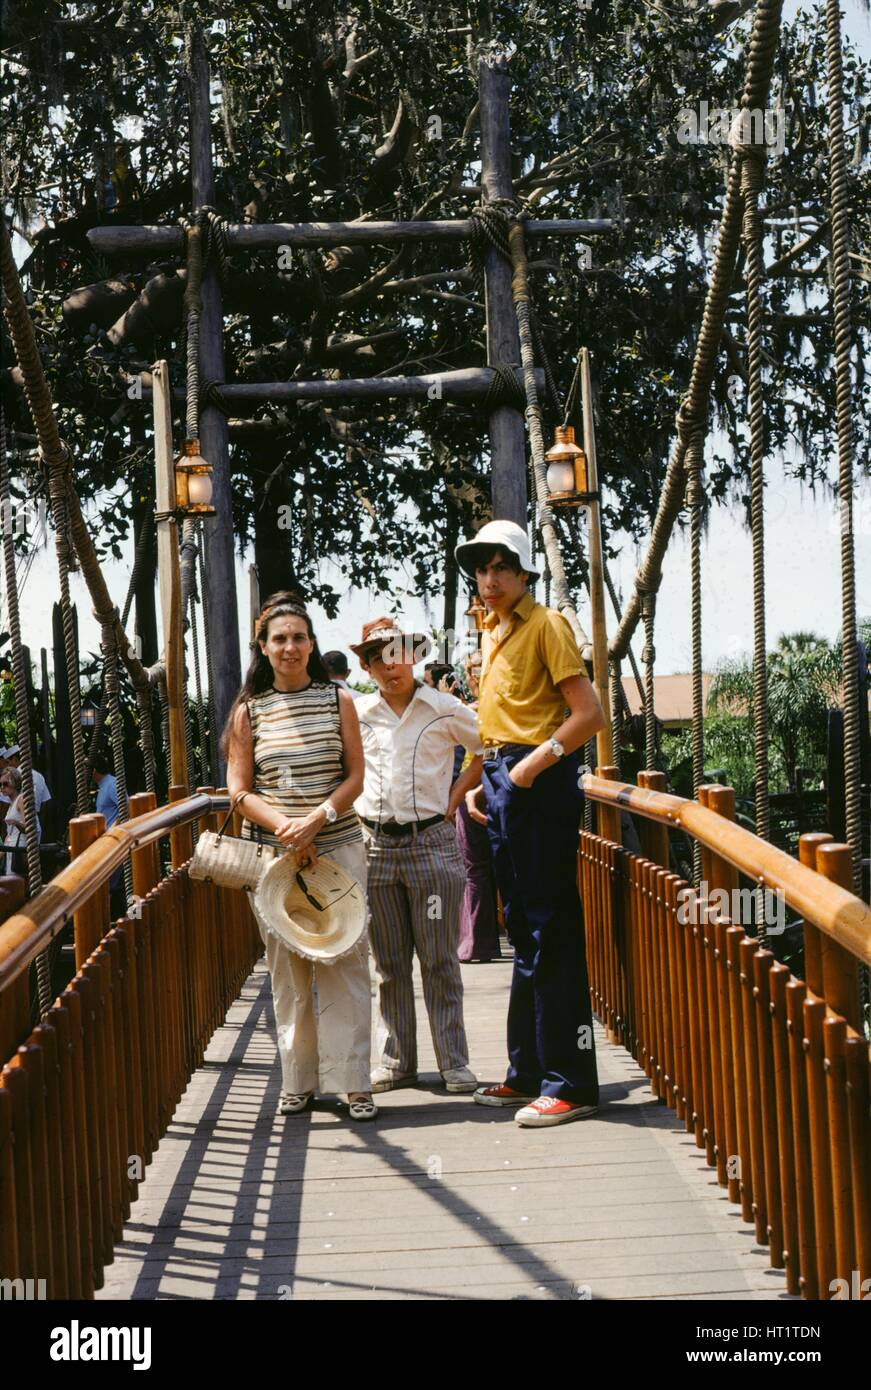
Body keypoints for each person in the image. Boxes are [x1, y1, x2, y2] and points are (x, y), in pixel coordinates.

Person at [457, 520, 605, 1129]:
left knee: (551, 929)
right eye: (481, 569)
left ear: (524, 574)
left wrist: (526, 771)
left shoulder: (547, 625)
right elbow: (494, 718)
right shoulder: (493, 631)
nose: (489, 580)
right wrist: (478, 780)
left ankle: (571, 1083)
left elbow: (589, 713)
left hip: (535, 781)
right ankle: (527, 1073)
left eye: (501, 568)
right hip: (503, 777)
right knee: (521, 926)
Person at [224, 591, 376, 1122]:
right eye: (280, 639)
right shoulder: (248, 712)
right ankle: (299, 1081)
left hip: (338, 848)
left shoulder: (340, 701)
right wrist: (288, 829)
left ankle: (354, 1082)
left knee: (346, 961)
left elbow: (355, 777)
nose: (290, 647)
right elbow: (238, 791)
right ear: (263, 648)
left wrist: (317, 820)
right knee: (287, 968)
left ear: (312, 645)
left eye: (299, 638)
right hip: (275, 857)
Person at [352, 617, 485, 1094]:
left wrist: (456, 795)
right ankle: (396, 1061)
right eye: (380, 657)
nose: (393, 666)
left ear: (414, 656)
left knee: (439, 959)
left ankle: (454, 1061)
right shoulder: (358, 713)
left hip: (431, 843)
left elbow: (485, 749)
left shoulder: (445, 708)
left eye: (400, 653)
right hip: (374, 846)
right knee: (387, 962)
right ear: (366, 666)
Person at [455, 649, 502, 963]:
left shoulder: (468, 712)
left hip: (473, 787)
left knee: (474, 869)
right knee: (499, 865)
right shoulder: (504, 711)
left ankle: (476, 942)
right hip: (499, 786)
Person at [1, 766, 40, 877]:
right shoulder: (11, 804)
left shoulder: (21, 800)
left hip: (20, 850)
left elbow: (30, 827)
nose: (2, 787)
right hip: (11, 850)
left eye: (5, 784)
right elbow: (9, 835)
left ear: (15, 783)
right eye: (0, 784)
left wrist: (17, 823)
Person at [4, 745, 51, 836]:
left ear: (15, 759)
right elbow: (44, 803)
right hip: (35, 824)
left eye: (8, 762)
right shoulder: (39, 776)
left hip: (17, 826)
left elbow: (5, 805)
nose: (7, 766)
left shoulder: (11, 778)